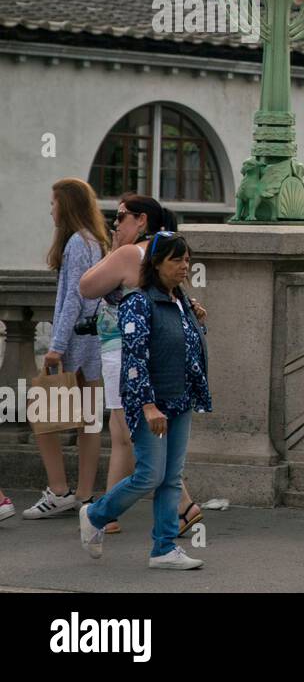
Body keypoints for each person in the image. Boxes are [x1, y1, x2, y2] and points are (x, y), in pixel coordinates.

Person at [80, 232, 212, 569]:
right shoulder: (138, 302)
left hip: (179, 400)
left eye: (186, 260)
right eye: (176, 260)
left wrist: (197, 322)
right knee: (150, 475)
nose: (185, 267)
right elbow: (135, 360)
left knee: (171, 476)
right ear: (155, 264)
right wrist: (148, 405)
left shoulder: (179, 300)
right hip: (151, 402)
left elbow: (182, 345)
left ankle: (164, 548)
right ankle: (95, 514)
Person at [24, 178, 109, 519]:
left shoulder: (77, 242)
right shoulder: (96, 241)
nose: (51, 209)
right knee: (89, 421)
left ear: (67, 205)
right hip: (95, 341)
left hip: (75, 342)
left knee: (39, 409)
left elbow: (74, 296)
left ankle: (59, 490)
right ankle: (85, 497)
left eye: (54, 203)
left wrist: (56, 347)